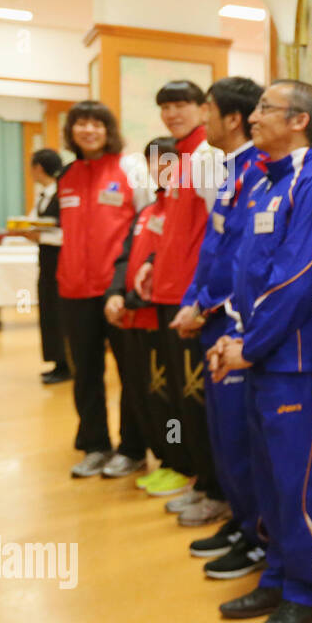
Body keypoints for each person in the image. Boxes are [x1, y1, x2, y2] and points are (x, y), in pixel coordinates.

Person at [209, 79, 312, 623]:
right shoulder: (263, 183)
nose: (253, 117)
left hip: (296, 362)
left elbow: (299, 279)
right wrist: (234, 336)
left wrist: (251, 343)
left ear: (300, 121)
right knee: (265, 478)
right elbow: (247, 274)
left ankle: (308, 591)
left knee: (296, 483)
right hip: (260, 356)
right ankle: (277, 574)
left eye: (265, 108)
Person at [169, 77, 274, 562]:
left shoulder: (259, 170)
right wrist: (192, 300)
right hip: (210, 319)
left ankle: (256, 539)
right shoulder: (231, 171)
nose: (200, 119)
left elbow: (243, 263)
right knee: (221, 435)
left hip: (234, 324)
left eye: (206, 109)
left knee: (240, 439)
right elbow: (213, 249)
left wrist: (204, 305)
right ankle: (238, 522)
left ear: (231, 118)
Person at [135, 79, 228, 516]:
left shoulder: (207, 156)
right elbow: (172, 228)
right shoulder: (176, 159)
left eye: (182, 105)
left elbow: (219, 232)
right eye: (165, 106)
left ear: (202, 108)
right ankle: (197, 476)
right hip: (169, 293)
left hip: (194, 297)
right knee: (179, 398)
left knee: (196, 399)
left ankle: (215, 490)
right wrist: (154, 264)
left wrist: (202, 297)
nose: (173, 113)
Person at [54, 100, 148, 478]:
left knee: (130, 372)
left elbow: (143, 225)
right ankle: (94, 445)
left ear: (108, 130)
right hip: (74, 288)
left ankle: (132, 447)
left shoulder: (129, 169)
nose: (89, 130)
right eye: (81, 124)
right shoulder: (67, 175)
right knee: (86, 372)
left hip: (117, 290)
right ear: (72, 132)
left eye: (96, 123)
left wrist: (129, 282)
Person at [104, 138, 176, 488]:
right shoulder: (147, 211)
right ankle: (162, 458)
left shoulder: (177, 210)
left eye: (167, 161)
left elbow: (171, 262)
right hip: (132, 319)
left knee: (166, 399)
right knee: (141, 395)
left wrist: (137, 297)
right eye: (154, 162)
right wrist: (116, 293)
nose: (159, 168)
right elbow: (125, 257)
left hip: (158, 318)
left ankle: (178, 462)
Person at [28, 149, 69, 384]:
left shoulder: (63, 194)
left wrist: (39, 236)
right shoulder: (44, 194)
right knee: (48, 311)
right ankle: (56, 361)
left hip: (61, 261)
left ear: (38, 168)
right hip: (46, 261)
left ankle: (66, 363)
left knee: (60, 313)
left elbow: (67, 232)